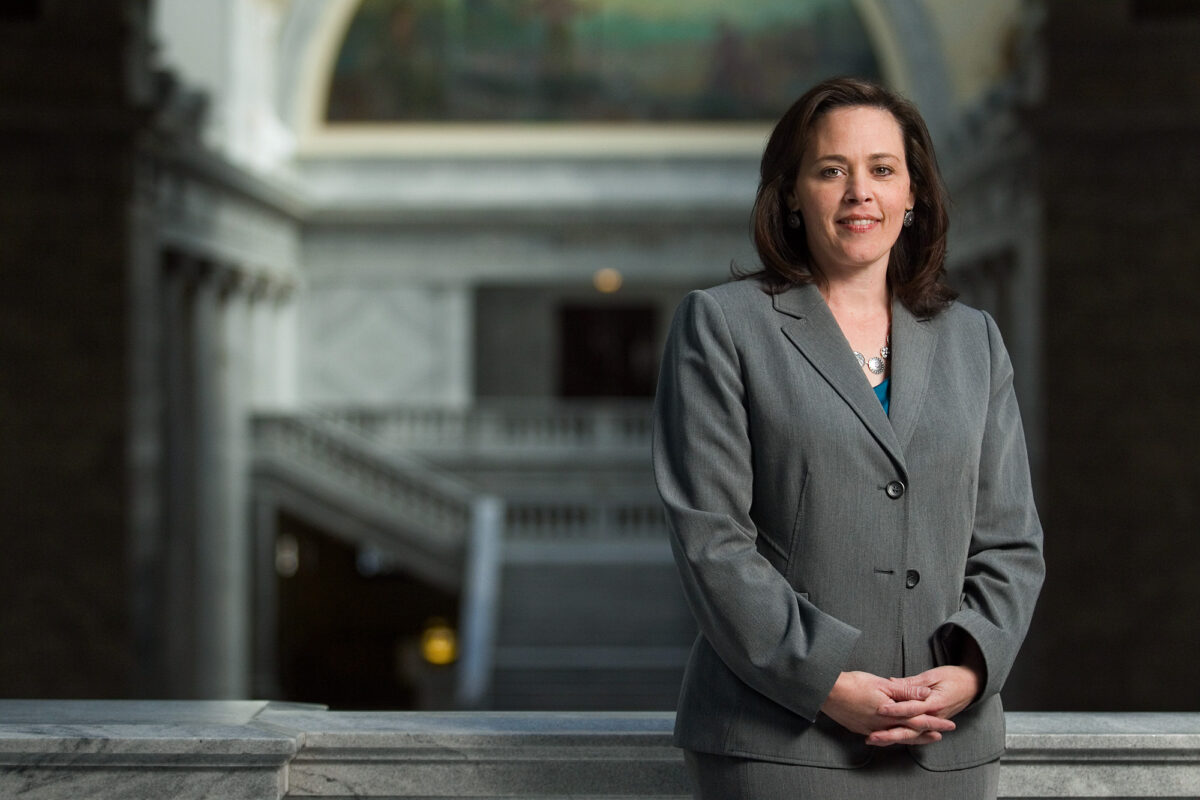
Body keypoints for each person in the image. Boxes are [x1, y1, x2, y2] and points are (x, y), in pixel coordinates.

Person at [652, 76, 1045, 798]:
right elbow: (711, 539)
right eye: (831, 170)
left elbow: (1011, 542)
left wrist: (970, 669)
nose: (859, 191)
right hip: (779, 742)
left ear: (913, 195)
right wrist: (824, 679)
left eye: (882, 170)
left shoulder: (974, 342)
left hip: (946, 746)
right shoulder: (722, 326)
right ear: (793, 195)